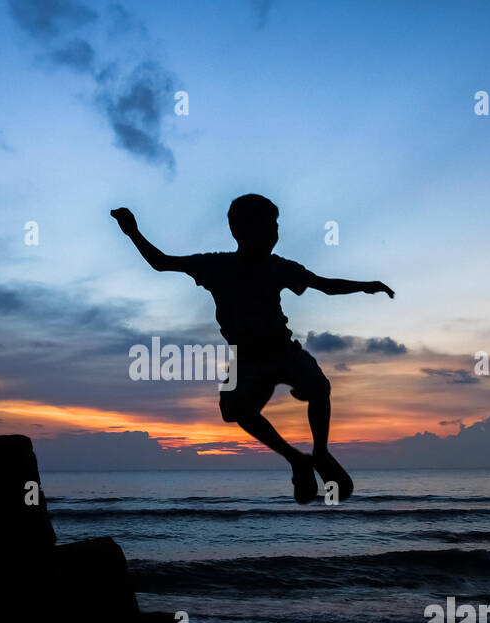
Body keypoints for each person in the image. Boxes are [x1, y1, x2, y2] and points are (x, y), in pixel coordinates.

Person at [111, 195, 394, 503]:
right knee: (235, 410)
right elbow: (162, 262)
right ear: (239, 231)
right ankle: (297, 460)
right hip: (244, 359)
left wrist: (366, 285)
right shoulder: (216, 265)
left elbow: (324, 285)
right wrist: (132, 232)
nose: (274, 234)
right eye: (268, 227)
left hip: (282, 349)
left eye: (275, 227)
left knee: (318, 387)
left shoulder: (278, 267)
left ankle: (320, 453)